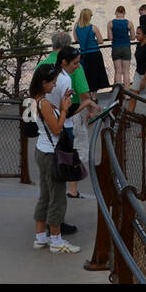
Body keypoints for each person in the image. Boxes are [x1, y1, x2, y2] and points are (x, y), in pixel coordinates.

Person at [28, 63, 81, 254]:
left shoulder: (35, 100)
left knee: (45, 194)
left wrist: (62, 105)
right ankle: (56, 240)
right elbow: (57, 128)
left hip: (42, 150)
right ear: (44, 83)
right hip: (51, 154)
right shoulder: (43, 104)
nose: (54, 86)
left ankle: (41, 236)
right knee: (57, 197)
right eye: (52, 83)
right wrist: (65, 110)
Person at [40, 44, 94, 198]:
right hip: (63, 126)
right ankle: (70, 191)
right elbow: (67, 111)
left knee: (53, 169)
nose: (77, 67)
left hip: (48, 124)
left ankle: (54, 199)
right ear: (64, 62)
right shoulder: (65, 80)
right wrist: (87, 104)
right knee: (69, 159)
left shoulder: (50, 72)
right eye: (75, 63)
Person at [74, 9, 109, 94]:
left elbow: (76, 39)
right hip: (95, 54)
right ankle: (94, 96)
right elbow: (101, 41)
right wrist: (93, 42)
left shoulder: (76, 27)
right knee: (95, 75)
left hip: (84, 54)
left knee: (86, 75)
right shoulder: (93, 27)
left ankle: (87, 94)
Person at [108, 7, 134, 88]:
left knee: (118, 72)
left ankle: (118, 93)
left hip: (116, 47)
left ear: (116, 12)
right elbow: (133, 37)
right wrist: (126, 38)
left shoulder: (110, 23)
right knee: (126, 72)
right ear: (124, 13)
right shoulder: (129, 23)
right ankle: (127, 94)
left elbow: (110, 38)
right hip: (126, 47)